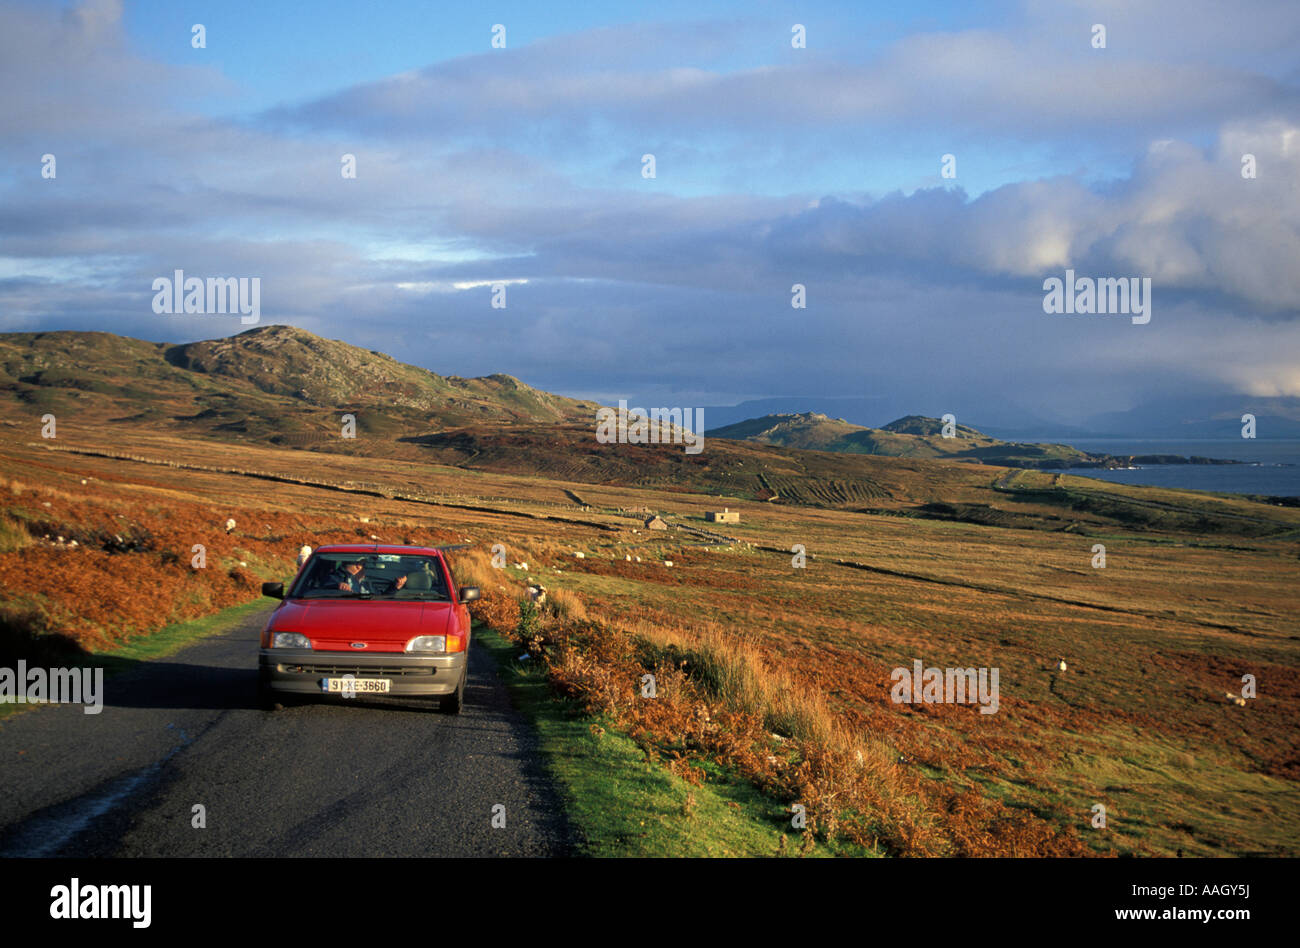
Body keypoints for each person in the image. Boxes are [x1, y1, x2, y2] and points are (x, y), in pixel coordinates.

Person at [328, 556, 406, 594]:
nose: (363, 568)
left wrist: (395, 587)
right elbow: (322, 587)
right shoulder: (335, 578)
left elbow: (381, 599)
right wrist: (337, 586)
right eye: (362, 564)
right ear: (357, 566)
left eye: (364, 564)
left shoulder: (366, 584)